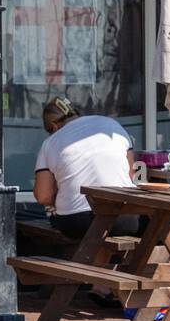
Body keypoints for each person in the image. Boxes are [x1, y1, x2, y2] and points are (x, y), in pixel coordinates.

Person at [33, 98, 140, 240]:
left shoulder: (51, 142)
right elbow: (131, 175)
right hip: (125, 218)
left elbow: (43, 196)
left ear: (53, 126)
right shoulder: (113, 125)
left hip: (77, 222)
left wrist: (60, 196)